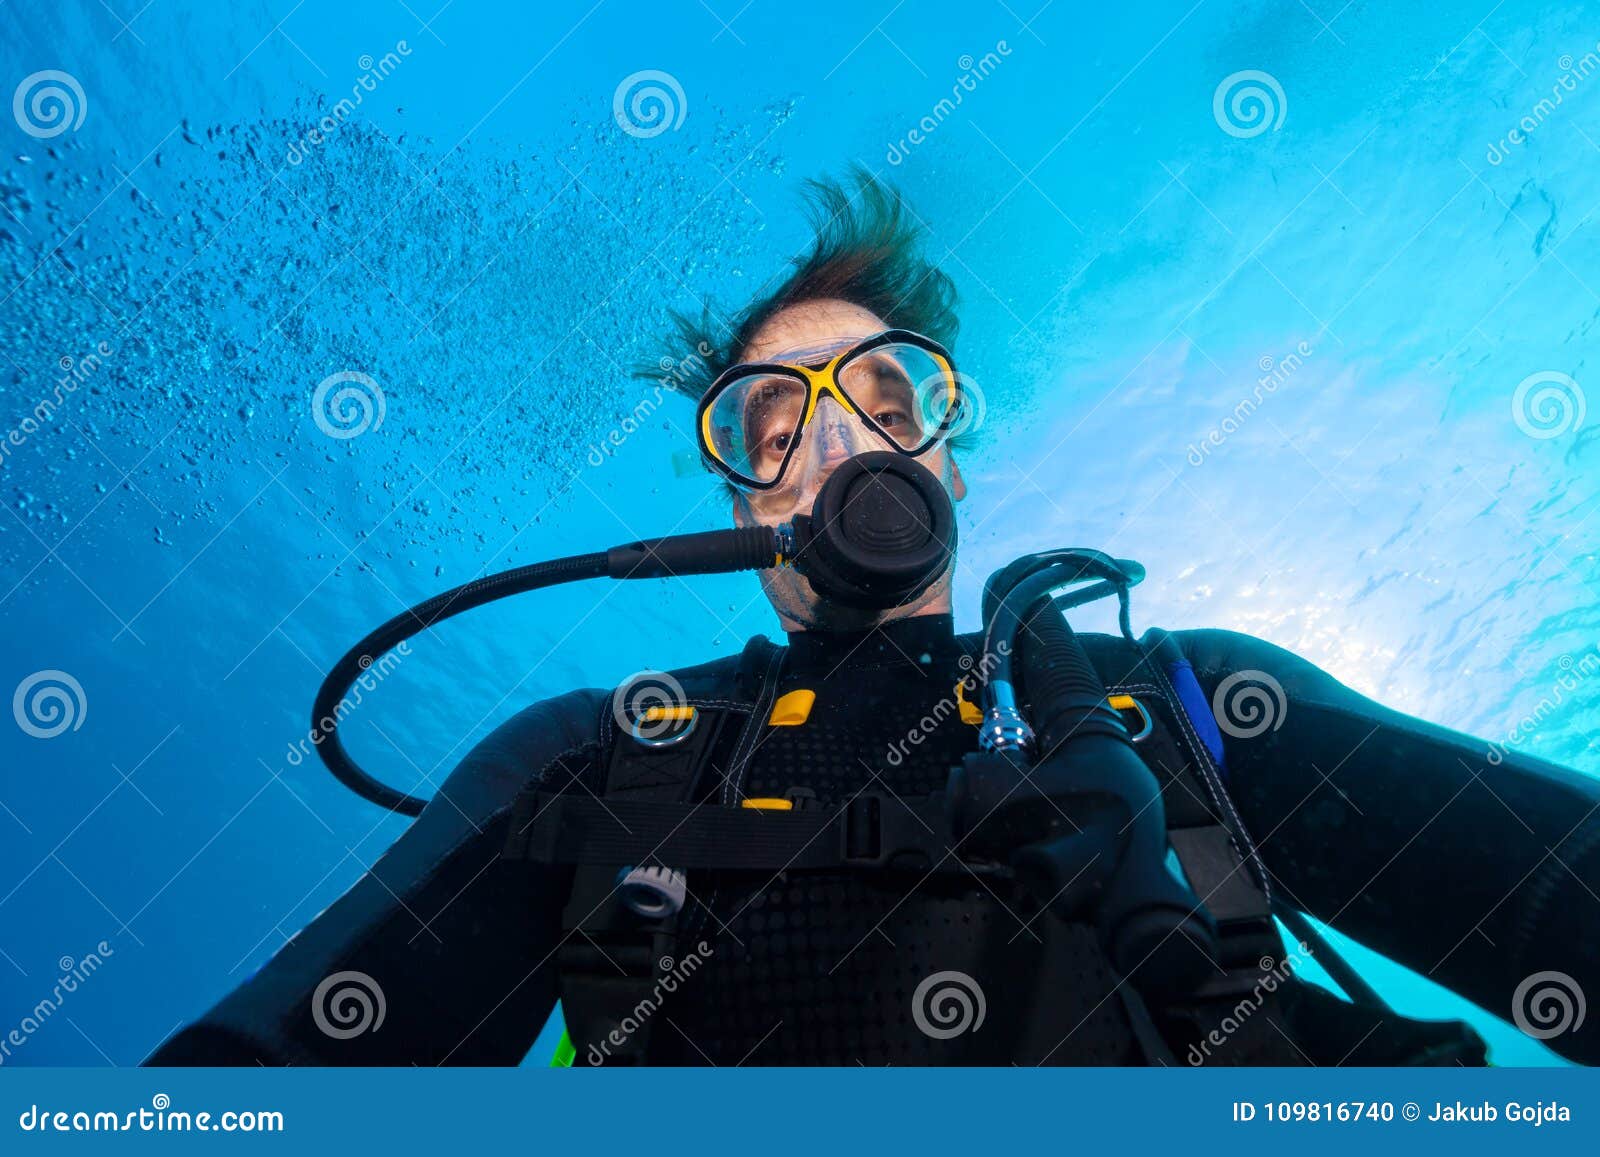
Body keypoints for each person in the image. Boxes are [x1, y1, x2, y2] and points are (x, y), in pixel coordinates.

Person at [148, 173, 1599, 1068]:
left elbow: (1553, 886)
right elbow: (278, 1067)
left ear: (948, 457)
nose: (843, 442)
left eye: (887, 399)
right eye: (778, 418)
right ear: (734, 490)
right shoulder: (595, 763)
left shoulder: (1184, 704)